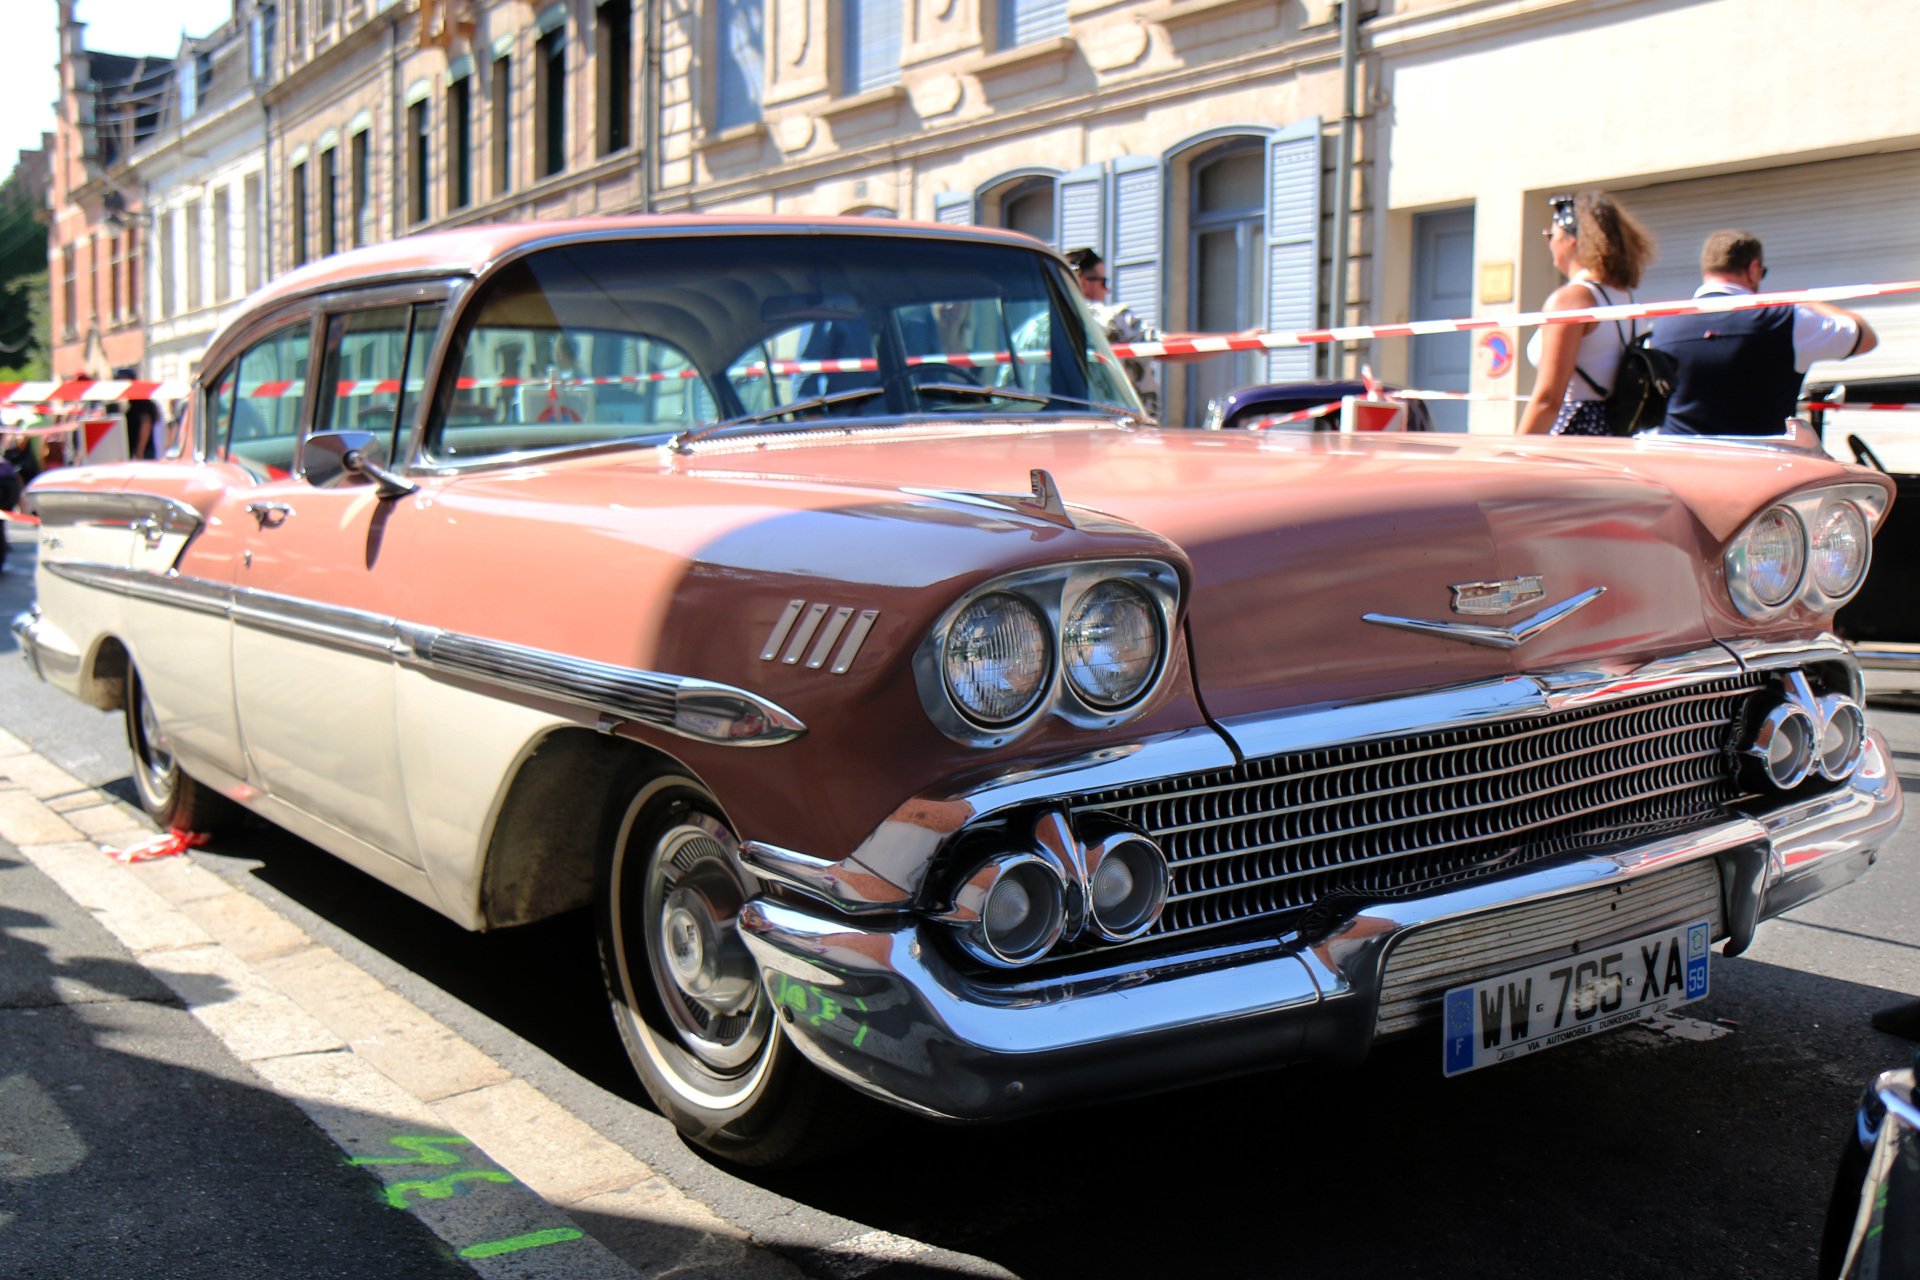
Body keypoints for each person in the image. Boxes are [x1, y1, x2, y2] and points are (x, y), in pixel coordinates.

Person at [1650, 229, 1878, 436]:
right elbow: (1865, 336)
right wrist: (1806, 301)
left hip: (1681, 464)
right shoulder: (1785, 319)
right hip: (1761, 466)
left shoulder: (1662, 327)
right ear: (1753, 268)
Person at [1518, 192, 1657, 435]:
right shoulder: (1624, 297)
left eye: (1550, 235)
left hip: (1574, 432)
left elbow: (1548, 400)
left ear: (1570, 239)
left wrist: (1513, 453)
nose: (1549, 243)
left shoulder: (1570, 300)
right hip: (1614, 433)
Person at [1066, 248, 1161, 418]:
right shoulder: (1113, 318)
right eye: (1104, 282)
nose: (1107, 290)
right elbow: (1162, 346)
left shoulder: (1032, 329)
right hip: (1123, 432)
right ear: (1083, 283)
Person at [116, 366, 159, 460]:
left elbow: (145, 424)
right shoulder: (133, 402)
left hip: (143, 453)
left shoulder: (140, 401)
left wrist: (140, 451)